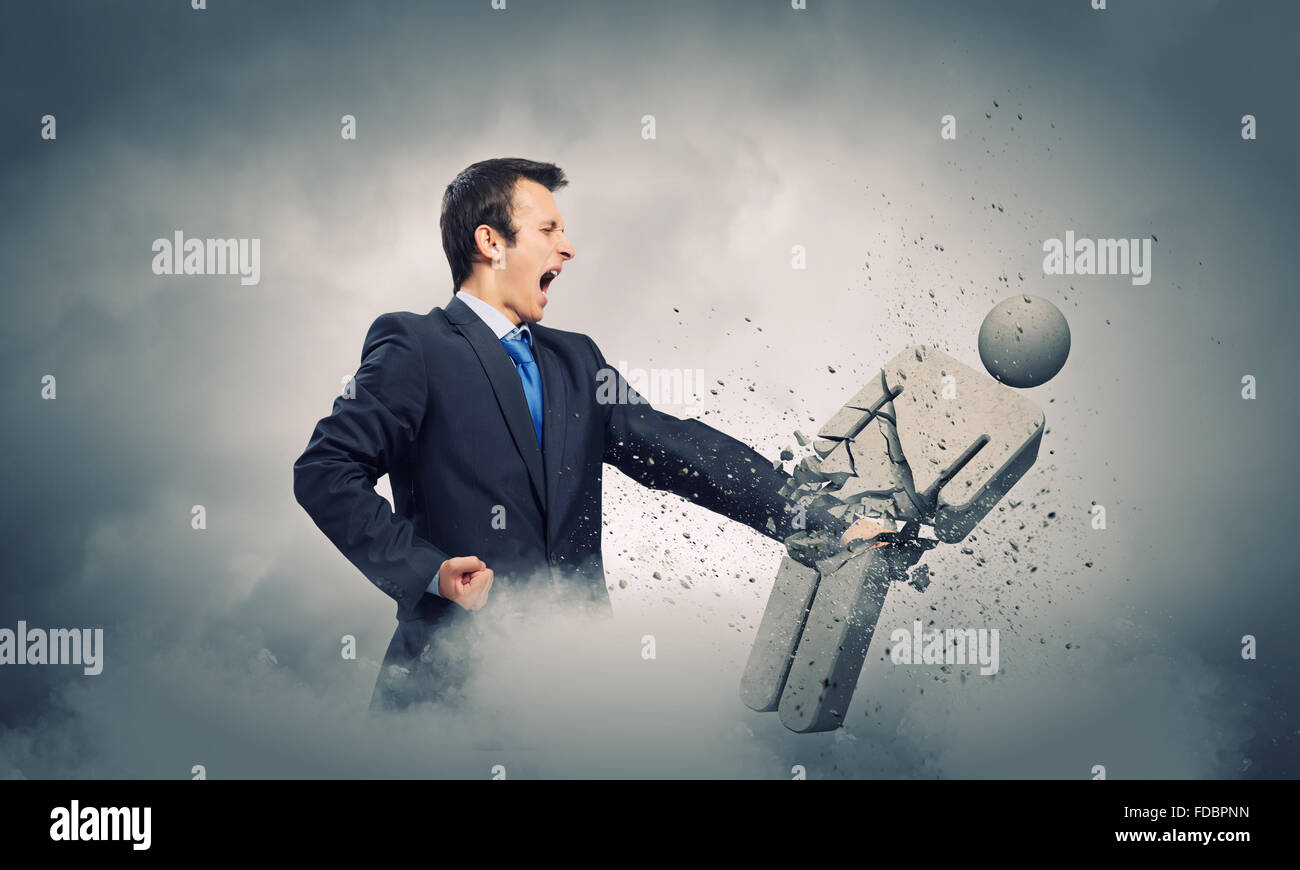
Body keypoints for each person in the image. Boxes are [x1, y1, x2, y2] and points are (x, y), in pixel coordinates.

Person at [292, 157, 923, 712]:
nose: (567, 249)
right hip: (444, 697)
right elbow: (325, 473)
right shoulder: (415, 345)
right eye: (548, 230)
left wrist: (821, 516)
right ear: (491, 242)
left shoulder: (578, 361)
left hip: (574, 698)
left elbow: (679, 450)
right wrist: (429, 570)